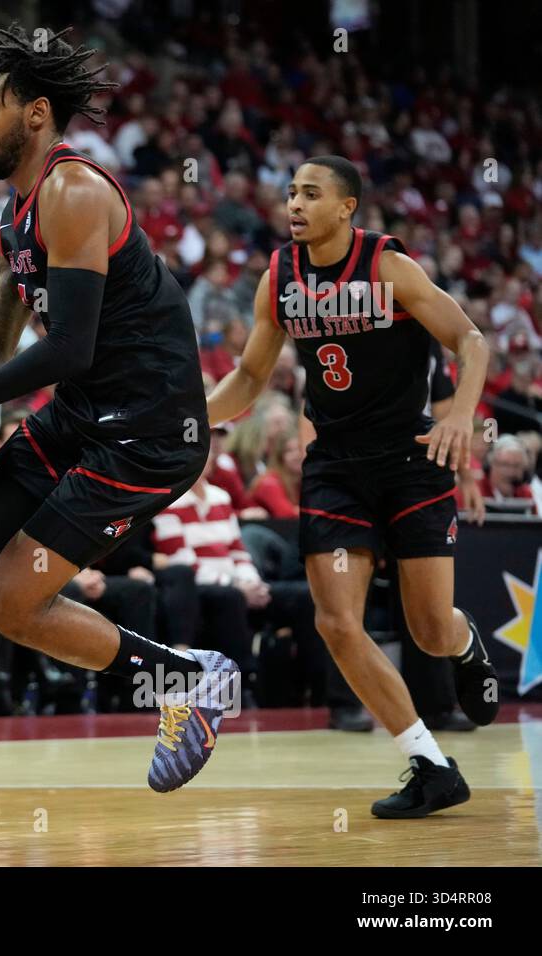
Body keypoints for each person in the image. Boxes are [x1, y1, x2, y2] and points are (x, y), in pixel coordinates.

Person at [0, 24, 237, 846]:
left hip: (145, 434)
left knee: (6, 599)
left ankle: (187, 681)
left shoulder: (74, 193)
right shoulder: (14, 213)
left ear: (35, 114)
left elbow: (71, 347)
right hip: (79, 414)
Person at [206, 155, 494, 818]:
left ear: (347, 207)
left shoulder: (388, 265)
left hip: (410, 459)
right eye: (290, 193)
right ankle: (430, 764)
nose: (295, 204)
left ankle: (464, 639)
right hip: (335, 465)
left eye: (312, 193)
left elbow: (470, 341)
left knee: (427, 631)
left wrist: (460, 418)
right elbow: (250, 378)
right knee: (336, 621)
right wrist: (194, 414)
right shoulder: (279, 275)